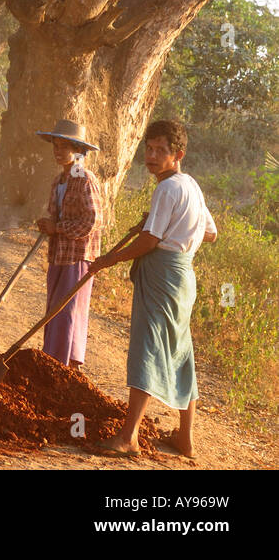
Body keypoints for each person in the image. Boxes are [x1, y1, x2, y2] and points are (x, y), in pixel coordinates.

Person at [96, 120, 216, 459]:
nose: (151, 156)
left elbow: (149, 242)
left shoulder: (166, 189)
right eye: (148, 149)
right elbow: (210, 232)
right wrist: (175, 226)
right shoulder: (190, 185)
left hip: (163, 273)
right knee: (180, 352)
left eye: (160, 151)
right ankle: (185, 440)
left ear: (177, 154)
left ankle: (128, 436)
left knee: (147, 348)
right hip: (183, 275)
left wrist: (109, 259)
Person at [33, 119, 105, 368]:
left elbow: (92, 221)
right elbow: (58, 216)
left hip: (78, 257)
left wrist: (58, 228)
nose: (59, 151)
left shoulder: (85, 178)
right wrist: (48, 225)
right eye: (56, 145)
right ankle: (52, 361)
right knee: (54, 310)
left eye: (65, 146)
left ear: (79, 151)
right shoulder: (59, 181)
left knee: (69, 313)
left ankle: (67, 366)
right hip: (58, 255)